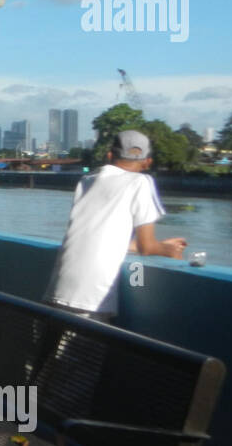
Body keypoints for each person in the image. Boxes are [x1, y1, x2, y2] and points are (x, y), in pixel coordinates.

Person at [43, 130, 187, 321]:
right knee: (85, 352)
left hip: (57, 290)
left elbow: (98, 234)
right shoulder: (141, 182)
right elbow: (146, 247)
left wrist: (152, 245)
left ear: (110, 155)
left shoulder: (87, 181)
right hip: (91, 299)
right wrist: (168, 250)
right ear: (147, 161)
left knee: (47, 351)